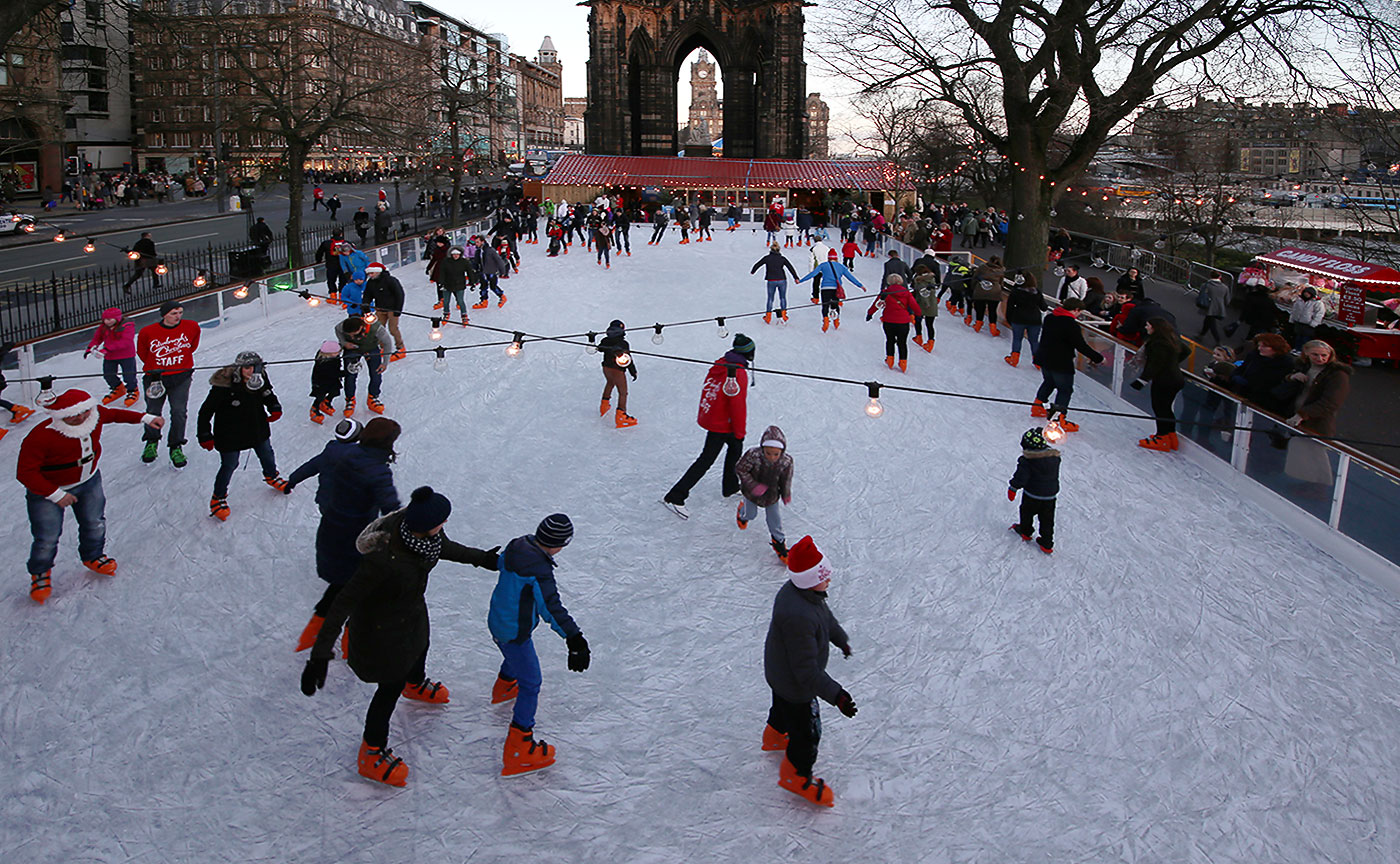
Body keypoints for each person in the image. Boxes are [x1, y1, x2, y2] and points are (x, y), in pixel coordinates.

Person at [301, 486, 500, 787]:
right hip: (380, 630)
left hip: (410, 612)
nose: (444, 526)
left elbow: (445, 547)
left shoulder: (424, 535)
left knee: (422, 644)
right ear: (425, 525)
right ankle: (372, 750)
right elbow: (344, 601)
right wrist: (320, 654)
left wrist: (482, 558)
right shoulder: (382, 559)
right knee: (388, 689)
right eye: (441, 522)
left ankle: (416, 684)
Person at [17, 388, 164, 603]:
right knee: (46, 537)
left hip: (89, 482)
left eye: (84, 412)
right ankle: (40, 572)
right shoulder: (41, 436)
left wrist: (146, 417)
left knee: (95, 523)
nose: (80, 417)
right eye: (73, 414)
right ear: (60, 415)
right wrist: (55, 494)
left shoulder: (94, 415)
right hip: (48, 492)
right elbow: (25, 472)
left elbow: (115, 415)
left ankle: (93, 556)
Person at [486, 514, 589, 777]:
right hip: (513, 630)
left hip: (498, 620)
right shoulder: (538, 572)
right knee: (531, 683)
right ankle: (519, 750)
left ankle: (505, 685)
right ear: (558, 545)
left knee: (513, 653)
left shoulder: (516, 545)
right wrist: (574, 639)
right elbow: (551, 608)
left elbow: (500, 562)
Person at [287, 416, 401, 653]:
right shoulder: (377, 471)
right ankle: (351, 641)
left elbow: (313, 466)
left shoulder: (343, 455)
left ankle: (313, 633)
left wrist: (292, 480)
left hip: (331, 528)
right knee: (362, 590)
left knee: (340, 586)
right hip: (356, 538)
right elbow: (391, 509)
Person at [762, 535, 855, 808]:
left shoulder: (802, 594)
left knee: (781, 707)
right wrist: (837, 695)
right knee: (807, 733)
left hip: (779, 675)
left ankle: (775, 736)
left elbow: (825, 617)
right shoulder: (799, 615)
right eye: (823, 576)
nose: (829, 580)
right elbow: (805, 671)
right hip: (794, 683)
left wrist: (839, 638)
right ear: (808, 578)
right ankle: (795, 775)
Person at [663, 335, 754, 518]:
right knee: (706, 460)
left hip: (717, 419)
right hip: (723, 424)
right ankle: (675, 496)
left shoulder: (721, 364)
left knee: (735, 452)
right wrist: (740, 431)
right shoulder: (738, 373)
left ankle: (730, 487)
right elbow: (737, 406)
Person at [196, 351, 288, 521]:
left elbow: (267, 393)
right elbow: (205, 411)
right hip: (230, 432)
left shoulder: (259, 378)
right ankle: (218, 497)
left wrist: (274, 407)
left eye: (256, 367)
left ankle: (271, 475)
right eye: (247, 367)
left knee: (266, 453)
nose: (252, 371)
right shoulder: (223, 385)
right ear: (239, 367)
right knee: (230, 464)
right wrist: (204, 434)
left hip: (256, 426)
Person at [137, 300, 201, 467]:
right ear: (164, 314)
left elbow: (192, 347)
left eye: (180, 312)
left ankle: (176, 445)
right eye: (173, 313)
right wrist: (157, 366)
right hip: (155, 378)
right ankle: (151, 442)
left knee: (179, 411)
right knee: (152, 410)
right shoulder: (147, 332)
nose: (178, 316)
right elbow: (143, 353)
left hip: (181, 377)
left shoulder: (192, 326)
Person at [1031, 298, 1103, 433]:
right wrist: (1098, 358)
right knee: (1065, 390)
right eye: (1079, 312)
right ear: (1075, 310)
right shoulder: (1071, 324)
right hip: (1061, 362)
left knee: (1049, 382)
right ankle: (1058, 419)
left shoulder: (1050, 318)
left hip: (1045, 358)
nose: (1078, 315)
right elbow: (1080, 345)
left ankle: (1037, 406)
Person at [734, 425, 794, 562]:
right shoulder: (753, 455)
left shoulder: (786, 461)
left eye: (776, 454)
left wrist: (785, 494)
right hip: (751, 494)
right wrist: (753, 486)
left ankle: (779, 543)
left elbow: (786, 479)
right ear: (763, 449)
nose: (772, 457)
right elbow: (740, 469)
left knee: (775, 520)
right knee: (751, 515)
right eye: (768, 453)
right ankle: (742, 512)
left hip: (771, 495)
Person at [1131, 317, 1191, 452]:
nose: (1146, 328)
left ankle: (1161, 438)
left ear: (1154, 328)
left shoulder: (1158, 343)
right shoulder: (1171, 339)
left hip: (1164, 380)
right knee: (1166, 408)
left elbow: (1154, 364)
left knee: (1160, 408)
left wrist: (1141, 380)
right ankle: (1170, 436)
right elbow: (1187, 350)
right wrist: (1173, 362)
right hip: (1175, 378)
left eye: (1148, 326)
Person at [1008, 427, 1060, 555]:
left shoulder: (1027, 461)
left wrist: (1013, 488)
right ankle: (1047, 543)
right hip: (1050, 496)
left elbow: (1021, 477)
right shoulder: (1054, 459)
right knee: (1047, 519)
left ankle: (1025, 531)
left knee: (1027, 513)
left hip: (1032, 495)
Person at [335, 314, 393, 417]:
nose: (352, 336)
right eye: (350, 335)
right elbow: (337, 329)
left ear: (361, 327)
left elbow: (387, 343)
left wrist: (385, 363)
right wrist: (344, 343)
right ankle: (350, 399)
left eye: (354, 334)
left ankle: (373, 397)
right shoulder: (342, 326)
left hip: (371, 348)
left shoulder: (376, 328)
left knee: (376, 374)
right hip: (353, 349)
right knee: (350, 375)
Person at [797, 250, 864, 333]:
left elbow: (813, 274)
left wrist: (801, 280)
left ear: (828, 258)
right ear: (836, 258)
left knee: (825, 305)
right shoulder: (841, 266)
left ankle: (825, 320)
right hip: (836, 289)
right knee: (835, 305)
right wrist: (860, 285)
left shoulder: (823, 265)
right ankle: (836, 321)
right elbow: (850, 277)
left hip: (825, 288)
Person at [866, 274, 921, 372]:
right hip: (903, 321)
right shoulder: (906, 293)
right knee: (902, 342)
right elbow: (914, 305)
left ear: (889, 282)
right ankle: (903, 362)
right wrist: (918, 315)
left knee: (890, 340)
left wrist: (870, 313)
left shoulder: (885, 293)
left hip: (889, 320)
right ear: (901, 281)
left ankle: (890, 359)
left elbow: (876, 304)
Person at [85, 308, 139, 406]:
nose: (107, 321)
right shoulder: (103, 327)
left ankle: (132, 390)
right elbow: (97, 338)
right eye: (105, 319)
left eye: (110, 319)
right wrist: (91, 347)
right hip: (110, 356)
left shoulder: (127, 326)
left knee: (129, 375)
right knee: (108, 374)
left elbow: (125, 342)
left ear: (117, 318)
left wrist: (106, 349)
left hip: (126, 355)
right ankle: (118, 388)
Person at [362, 262, 407, 361]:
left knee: (393, 329)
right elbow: (367, 295)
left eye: (372, 273)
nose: (370, 275)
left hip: (392, 309)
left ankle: (401, 348)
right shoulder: (371, 282)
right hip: (379, 309)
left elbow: (399, 294)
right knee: (377, 329)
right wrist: (366, 304)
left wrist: (398, 310)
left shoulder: (390, 280)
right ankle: (382, 347)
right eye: (369, 274)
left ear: (378, 272)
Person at [598, 319, 638, 428]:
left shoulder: (605, 340)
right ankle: (621, 415)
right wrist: (633, 371)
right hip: (617, 370)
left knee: (610, 383)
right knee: (623, 392)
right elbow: (628, 359)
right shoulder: (623, 343)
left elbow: (600, 348)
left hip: (606, 368)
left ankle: (604, 406)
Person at [1003, 272, 1047, 367]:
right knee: (1034, 340)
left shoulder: (1016, 292)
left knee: (1017, 339)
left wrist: (1009, 318)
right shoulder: (1037, 292)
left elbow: (1010, 306)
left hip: (1019, 318)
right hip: (1035, 319)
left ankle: (1014, 358)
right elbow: (1044, 307)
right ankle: (1037, 361)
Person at [751, 242, 799, 324]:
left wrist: (753, 271)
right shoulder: (782, 258)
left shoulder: (767, 258)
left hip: (771, 280)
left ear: (771, 249)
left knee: (770, 298)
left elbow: (758, 264)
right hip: (782, 280)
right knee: (783, 297)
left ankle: (768, 317)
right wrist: (796, 278)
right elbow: (790, 267)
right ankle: (784, 315)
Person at [309, 340, 345, 424]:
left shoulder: (334, 358)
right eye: (337, 352)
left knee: (335, 392)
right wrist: (346, 372)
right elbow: (333, 373)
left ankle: (326, 402)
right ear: (329, 353)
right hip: (321, 382)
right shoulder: (324, 363)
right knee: (320, 396)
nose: (339, 353)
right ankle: (314, 409)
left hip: (331, 381)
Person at [968, 256, 1005, 335]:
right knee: (992, 310)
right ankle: (993, 328)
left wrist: (973, 288)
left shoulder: (982, 268)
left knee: (980, 309)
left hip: (980, 290)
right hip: (995, 292)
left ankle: (978, 324)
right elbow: (1001, 282)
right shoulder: (1001, 270)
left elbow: (974, 278)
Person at [471, 236, 509, 309]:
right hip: (482, 272)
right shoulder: (478, 251)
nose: (476, 244)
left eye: (478, 242)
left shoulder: (490, 250)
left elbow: (499, 260)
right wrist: (475, 269)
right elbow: (476, 262)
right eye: (475, 242)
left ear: (482, 241)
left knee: (493, 286)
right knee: (483, 287)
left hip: (491, 271)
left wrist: (502, 271)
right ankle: (484, 301)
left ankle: (502, 296)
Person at [437, 246, 471, 326]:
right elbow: (442, 272)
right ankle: (446, 313)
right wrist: (441, 282)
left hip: (459, 284)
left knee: (460, 300)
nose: (455, 256)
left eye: (457, 254)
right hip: (447, 284)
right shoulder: (446, 261)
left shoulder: (464, 262)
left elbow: (470, 272)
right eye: (454, 254)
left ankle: (464, 315)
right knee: (446, 301)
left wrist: (472, 282)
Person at [909, 264, 940, 352]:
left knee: (918, 321)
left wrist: (926, 303)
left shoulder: (918, 281)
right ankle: (931, 342)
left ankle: (919, 336)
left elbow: (923, 294)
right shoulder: (932, 279)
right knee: (930, 324)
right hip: (932, 303)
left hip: (921, 304)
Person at [1196, 276, 1230, 346]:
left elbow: (1201, 294)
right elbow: (1227, 300)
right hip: (1219, 307)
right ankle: (1202, 334)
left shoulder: (1207, 285)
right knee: (1208, 320)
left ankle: (1218, 340)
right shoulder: (1225, 287)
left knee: (1211, 324)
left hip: (1209, 306)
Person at [314, 229, 345, 304]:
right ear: (341, 234)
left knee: (331, 280)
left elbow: (319, 253)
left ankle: (333, 297)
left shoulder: (326, 243)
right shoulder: (346, 243)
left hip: (331, 265)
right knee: (343, 281)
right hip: (344, 265)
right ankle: (342, 297)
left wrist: (318, 261)